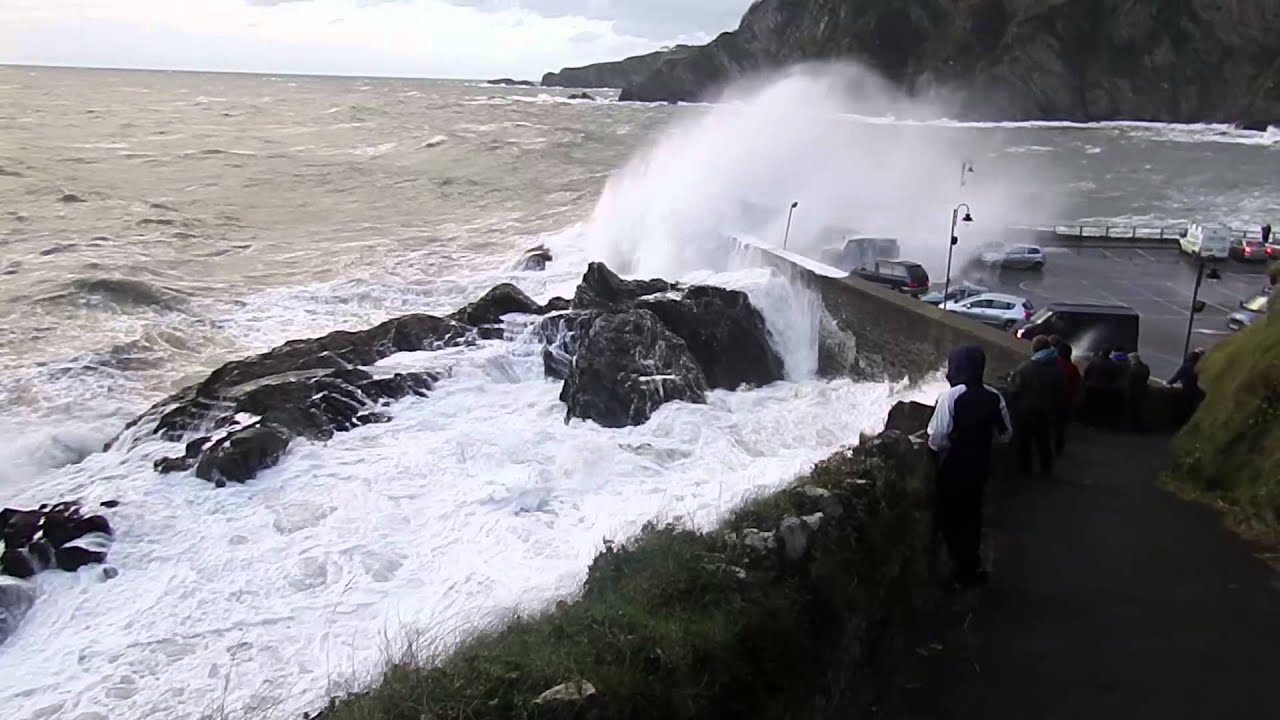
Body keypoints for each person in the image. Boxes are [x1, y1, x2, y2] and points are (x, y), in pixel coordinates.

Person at [926, 344, 1012, 589]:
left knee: (948, 518)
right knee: (972, 515)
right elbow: (1005, 435)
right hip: (981, 465)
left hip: (955, 466)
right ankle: (972, 566)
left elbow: (937, 436)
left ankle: (961, 570)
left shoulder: (951, 396)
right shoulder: (994, 396)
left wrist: (938, 451)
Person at [1010, 335, 1065, 477]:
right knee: (1044, 443)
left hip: (1026, 412)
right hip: (1047, 413)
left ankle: (1025, 471)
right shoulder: (1057, 369)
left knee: (1024, 444)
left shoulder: (1025, 368)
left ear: (1034, 349)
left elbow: (1014, 391)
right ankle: (1046, 471)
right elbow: (1060, 392)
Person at [1049, 337, 1081, 455]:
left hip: (1053, 400)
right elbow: (1076, 385)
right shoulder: (1073, 368)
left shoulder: (1054, 364)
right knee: (1060, 427)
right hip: (1066, 401)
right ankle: (1059, 448)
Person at [1168, 348, 1206, 424]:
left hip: (1186, 387)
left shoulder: (1187, 365)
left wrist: (1169, 383)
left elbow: (1177, 376)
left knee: (1186, 405)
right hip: (1191, 388)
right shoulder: (1197, 366)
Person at [1128, 352, 1151, 431]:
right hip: (1144, 390)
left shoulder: (1132, 369)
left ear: (1132, 359)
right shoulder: (1146, 367)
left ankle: (1134, 427)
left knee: (1134, 409)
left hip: (1134, 391)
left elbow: (1130, 381)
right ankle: (1141, 427)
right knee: (1141, 409)